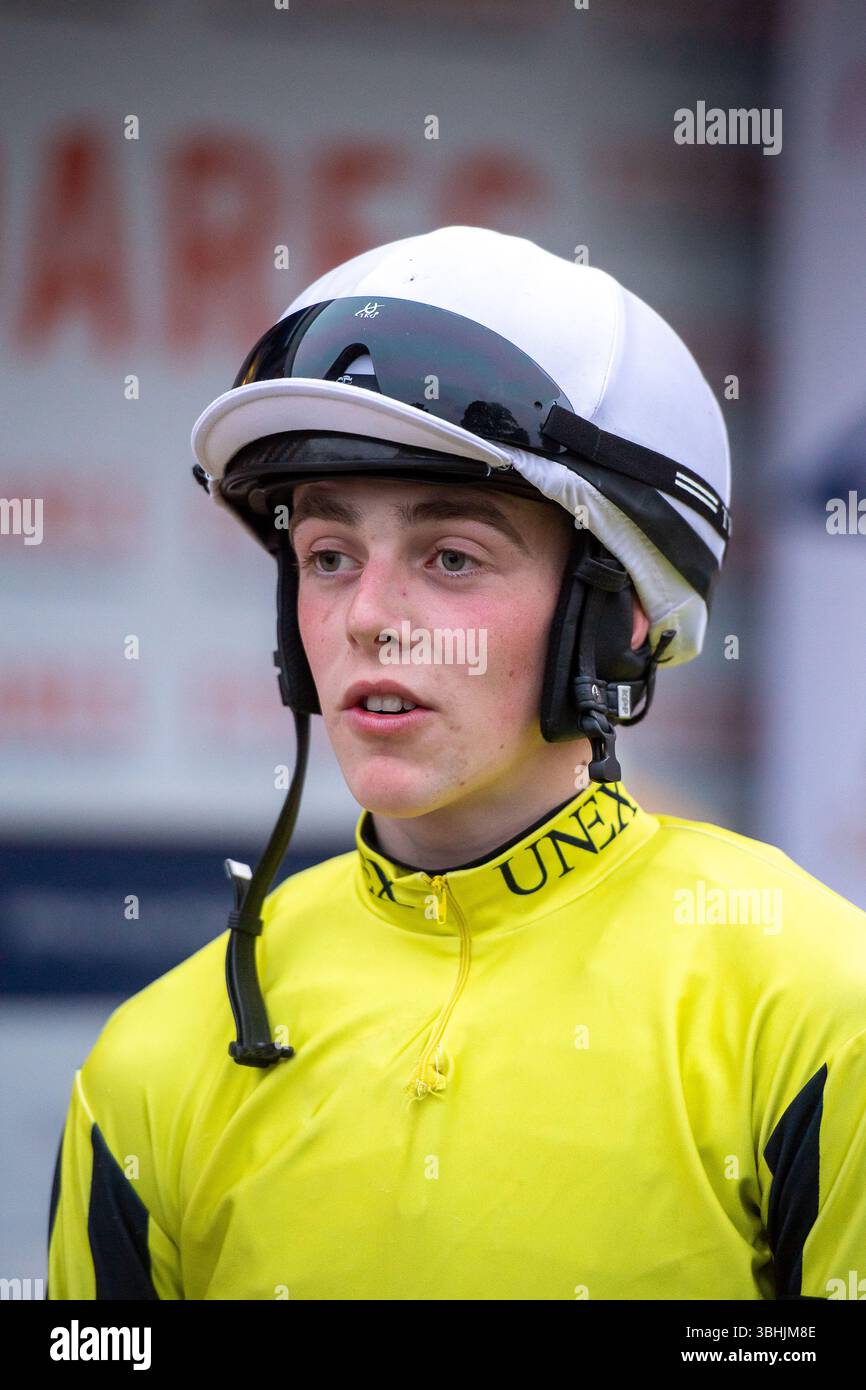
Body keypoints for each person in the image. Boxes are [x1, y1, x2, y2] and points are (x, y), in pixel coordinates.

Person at [47, 226, 866, 1301]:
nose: (369, 619)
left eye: (449, 557)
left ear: (613, 615)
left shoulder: (816, 1005)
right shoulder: (149, 1060)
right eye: (328, 556)